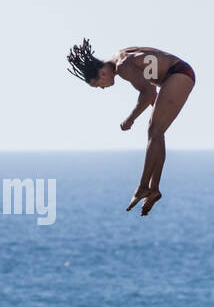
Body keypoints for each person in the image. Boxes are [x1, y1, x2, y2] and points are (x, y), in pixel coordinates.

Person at [65, 39, 196, 215]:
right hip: (172, 76)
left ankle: (143, 187)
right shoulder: (120, 56)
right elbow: (150, 85)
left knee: (154, 131)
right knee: (157, 132)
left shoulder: (123, 66)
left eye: (98, 86)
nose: (102, 89)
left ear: (102, 73)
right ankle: (153, 189)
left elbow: (148, 92)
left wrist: (130, 119)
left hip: (178, 74)